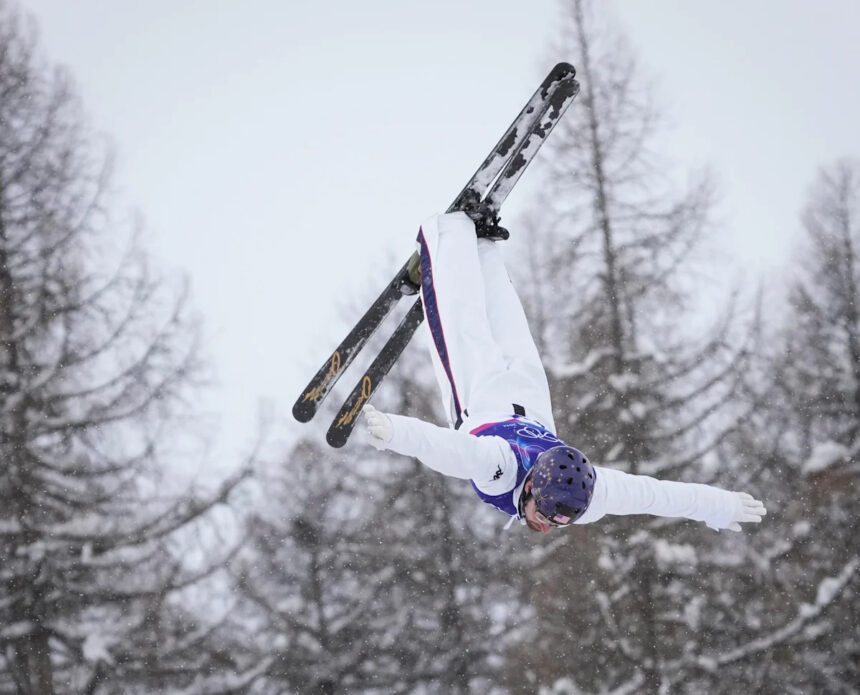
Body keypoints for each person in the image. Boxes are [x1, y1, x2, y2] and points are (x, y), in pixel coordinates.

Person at [363, 212, 766, 533]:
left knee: (499, 318)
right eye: (547, 513)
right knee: (460, 322)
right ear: (535, 487)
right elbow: (449, 450)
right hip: (484, 396)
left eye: (560, 520)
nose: (547, 524)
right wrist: (396, 432)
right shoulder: (499, 468)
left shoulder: (589, 498)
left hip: (528, 397)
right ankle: (448, 235)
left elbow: (656, 496)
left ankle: (482, 244)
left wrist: (722, 507)